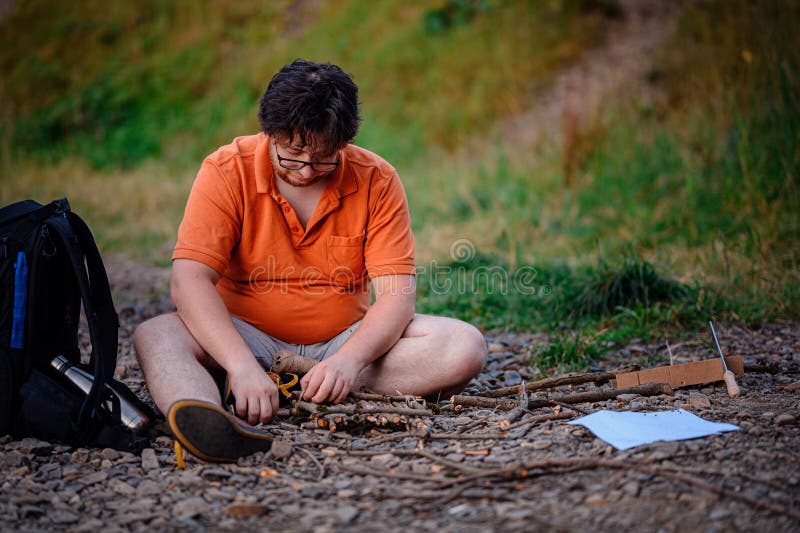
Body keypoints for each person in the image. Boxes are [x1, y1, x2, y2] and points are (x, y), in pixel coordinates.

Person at [133, 59, 487, 462]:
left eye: (322, 159)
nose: (305, 171)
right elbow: (189, 279)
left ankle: (305, 385)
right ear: (269, 133)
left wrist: (348, 361)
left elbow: (396, 296)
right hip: (242, 339)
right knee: (156, 336)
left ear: (344, 143)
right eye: (291, 156)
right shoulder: (226, 169)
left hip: (343, 341)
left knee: (463, 345)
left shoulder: (377, 178)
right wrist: (240, 363)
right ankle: (213, 420)